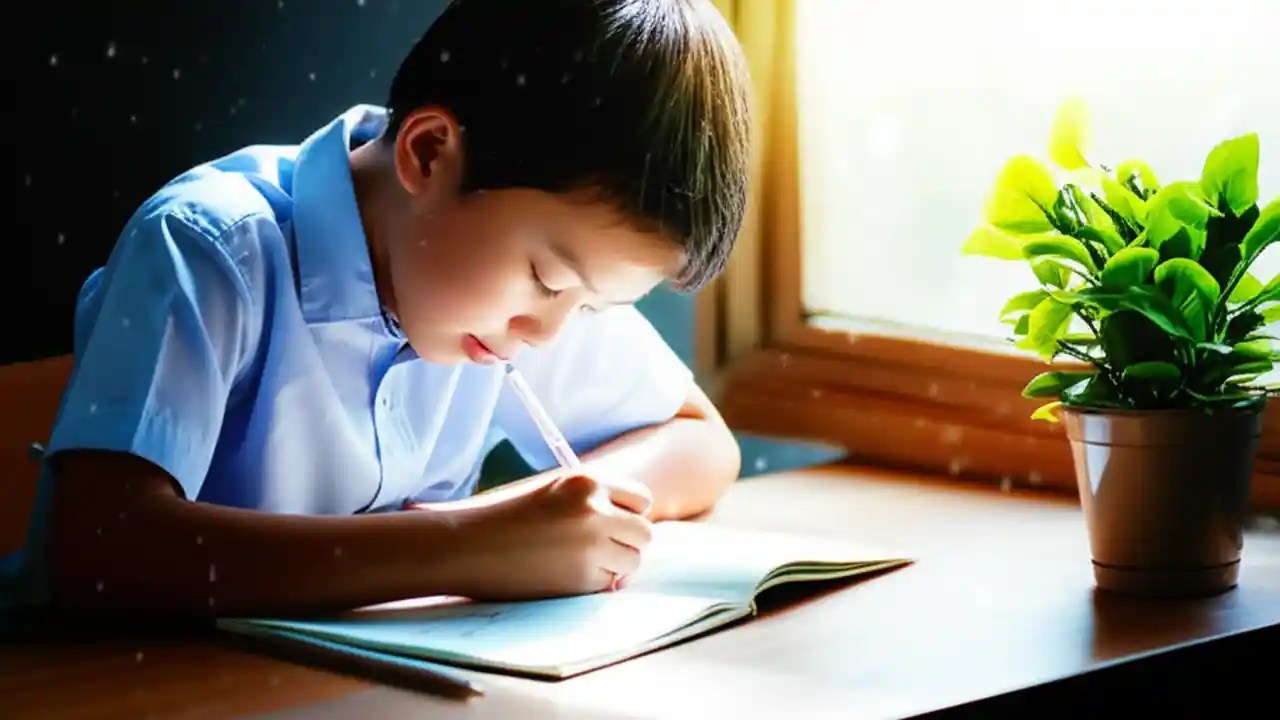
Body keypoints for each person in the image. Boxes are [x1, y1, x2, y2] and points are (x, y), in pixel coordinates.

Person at [1, 0, 750, 619]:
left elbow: (699, 441)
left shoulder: (501, 286)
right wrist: (465, 546)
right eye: (549, 279)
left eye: (591, 308)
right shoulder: (211, 250)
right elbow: (96, 549)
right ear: (428, 154)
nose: (549, 331)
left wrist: (532, 523)